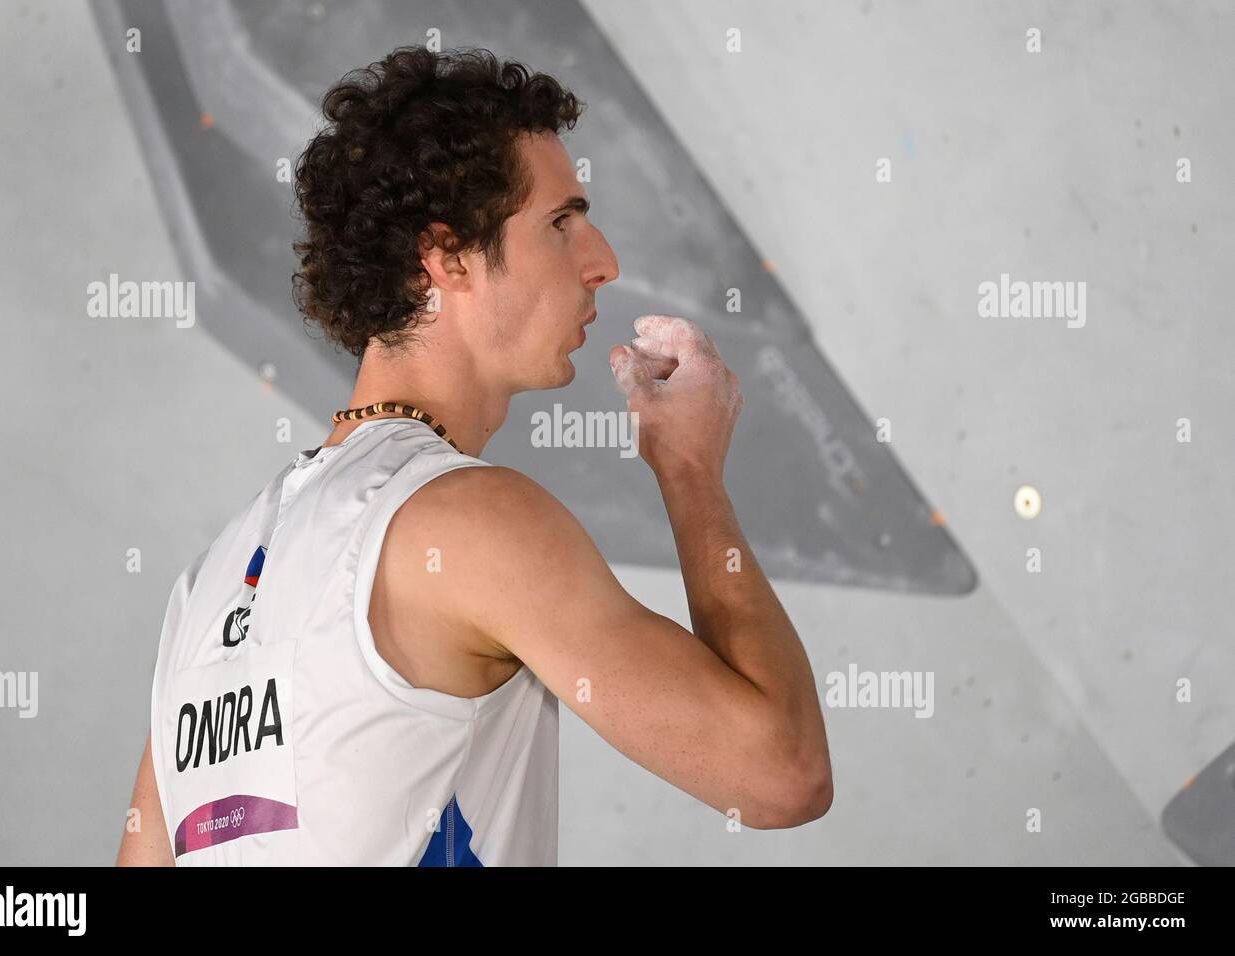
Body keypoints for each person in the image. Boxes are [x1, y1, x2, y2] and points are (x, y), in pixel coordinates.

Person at [116, 45, 831, 867]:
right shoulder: (466, 521)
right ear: (448, 255)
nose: (603, 263)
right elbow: (784, 775)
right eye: (561, 223)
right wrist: (691, 472)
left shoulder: (203, 589)